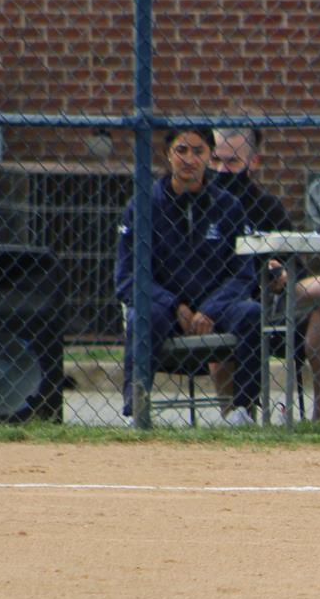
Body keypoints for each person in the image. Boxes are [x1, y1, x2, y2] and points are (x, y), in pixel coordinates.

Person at [113, 126, 266, 425]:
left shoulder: (229, 206)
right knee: (143, 315)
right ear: (167, 154)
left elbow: (243, 274)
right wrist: (174, 306)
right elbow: (126, 277)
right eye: (181, 150)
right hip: (165, 310)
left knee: (251, 314)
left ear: (209, 157)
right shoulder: (142, 206)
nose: (189, 159)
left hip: (215, 310)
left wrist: (210, 309)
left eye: (198, 151)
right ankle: (136, 411)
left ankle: (241, 411)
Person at [208, 127, 320, 422]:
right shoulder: (200, 205)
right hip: (223, 301)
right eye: (215, 160)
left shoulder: (266, 206)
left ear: (253, 162)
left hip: (271, 301)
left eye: (231, 162)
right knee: (227, 306)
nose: (221, 171)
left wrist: (280, 273)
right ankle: (233, 416)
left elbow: (295, 266)